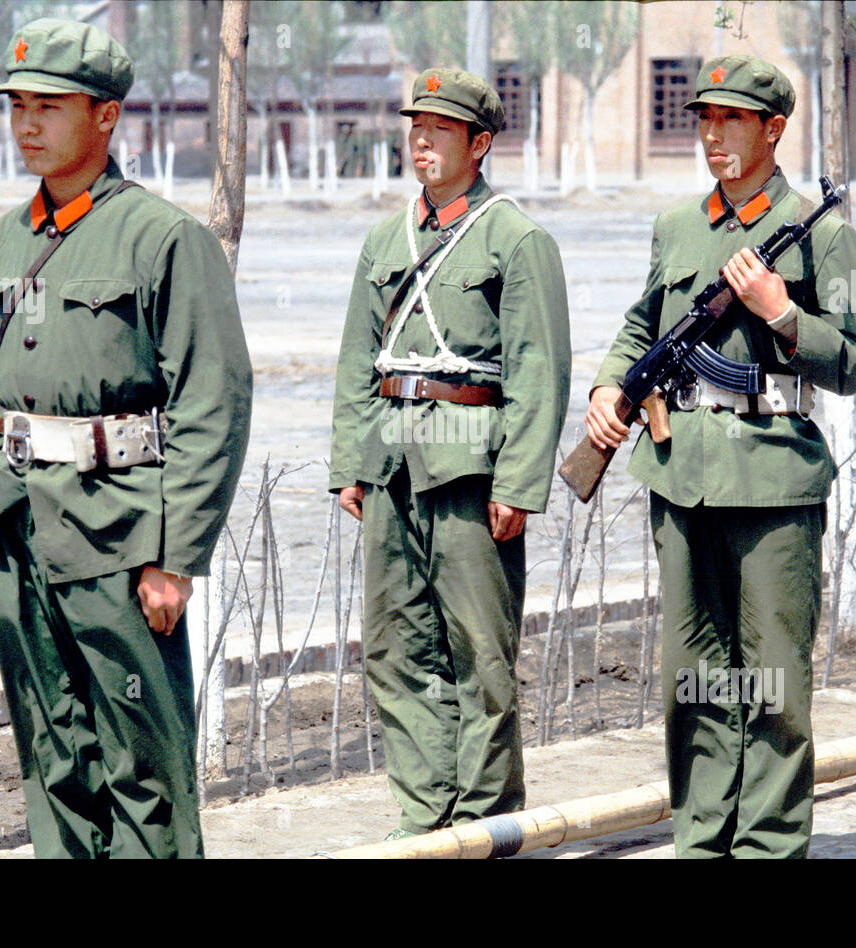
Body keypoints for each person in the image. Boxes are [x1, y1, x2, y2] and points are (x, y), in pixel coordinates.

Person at [0, 18, 251, 858]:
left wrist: (176, 556)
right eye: (17, 108)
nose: (27, 125)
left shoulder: (165, 239)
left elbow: (212, 403)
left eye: (50, 105)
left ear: (106, 116)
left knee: (143, 768)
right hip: (21, 538)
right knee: (53, 757)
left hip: (120, 541)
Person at [585, 54, 856, 858]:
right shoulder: (679, 227)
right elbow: (641, 326)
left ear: (773, 128)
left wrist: (784, 314)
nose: (713, 134)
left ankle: (769, 845)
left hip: (776, 473)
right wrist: (608, 388)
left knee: (775, 678)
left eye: (733, 120)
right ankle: (703, 837)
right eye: (704, 119)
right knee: (694, 674)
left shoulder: (826, 234)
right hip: (682, 477)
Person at [329, 68, 571, 838]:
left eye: (439, 129)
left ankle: (486, 819)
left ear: (481, 142)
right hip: (394, 462)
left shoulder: (516, 238)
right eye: (415, 127)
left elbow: (540, 371)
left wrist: (520, 483)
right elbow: (356, 362)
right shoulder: (384, 239)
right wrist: (350, 464)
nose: (421, 140)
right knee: (396, 643)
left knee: (479, 651)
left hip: (471, 461)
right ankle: (425, 811)